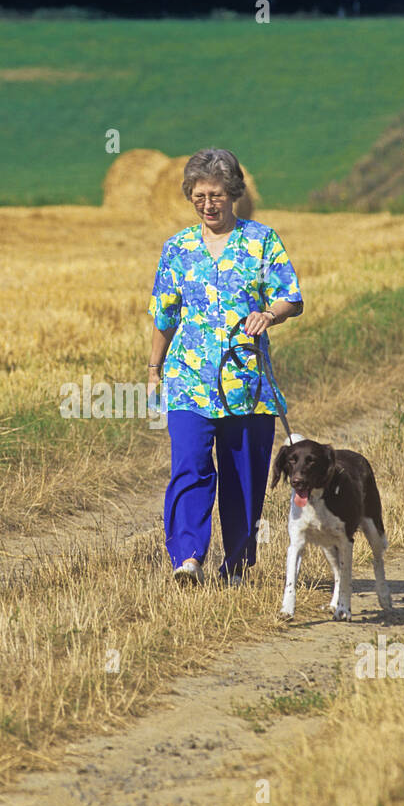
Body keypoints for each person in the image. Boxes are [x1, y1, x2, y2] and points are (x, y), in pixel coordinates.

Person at [147, 147, 302, 586]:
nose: (208, 204)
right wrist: (154, 369)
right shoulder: (176, 249)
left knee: (245, 478)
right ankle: (188, 558)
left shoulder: (261, 240)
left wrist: (271, 314)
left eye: (215, 194)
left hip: (246, 385)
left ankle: (236, 564)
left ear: (233, 193)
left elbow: (292, 296)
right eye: (199, 196)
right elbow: (164, 315)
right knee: (190, 466)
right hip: (189, 383)